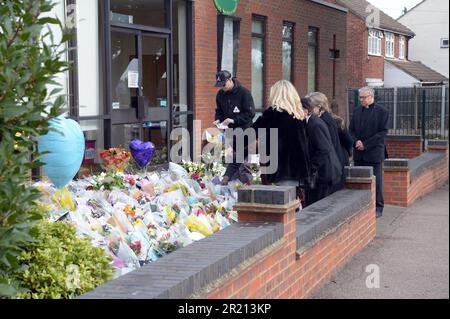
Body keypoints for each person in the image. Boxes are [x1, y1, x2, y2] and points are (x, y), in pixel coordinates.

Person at [251, 80, 310, 202]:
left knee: (282, 206)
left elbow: (249, 134)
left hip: (280, 169)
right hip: (298, 170)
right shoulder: (298, 116)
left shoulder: (272, 114)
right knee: (293, 206)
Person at [349, 86, 389, 218]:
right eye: (360, 97)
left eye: (364, 97)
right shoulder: (356, 111)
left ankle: (378, 207)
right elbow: (351, 130)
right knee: (358, 179)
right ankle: (361, 206)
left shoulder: (382, 111)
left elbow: (382, 133)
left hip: (374, 152)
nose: (361, 100)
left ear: (371, 97)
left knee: (376, 181)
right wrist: (356, 142)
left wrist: (365, 144)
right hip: (359, 153)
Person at [213, 70, 256, 185]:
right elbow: (219, 111)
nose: (222, 87)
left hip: (245, 133)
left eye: (223, 84)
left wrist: (234, 120)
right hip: (230, 134)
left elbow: (250, 114)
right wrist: (218, 119)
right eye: (220, 85)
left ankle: (246, 187)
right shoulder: (220, 95)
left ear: (230, 80)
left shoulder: (244, 93)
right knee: (232, 161)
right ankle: (232, 187)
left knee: (243, 164)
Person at [306, 92, 351, 192]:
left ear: (319, 107)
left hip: (329, 171)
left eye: (309, 106)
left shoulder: (324, 122)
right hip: (333, 168)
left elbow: (328, 148)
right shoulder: (326, 119)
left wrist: (312, 167)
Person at [301, 97, 342, 207]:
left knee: (317, 208)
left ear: (306, 110)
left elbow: (323, 149)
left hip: (323, 175)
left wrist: (311, 168)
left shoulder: (315, 124)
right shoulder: (310, 123)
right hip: (321, 174)